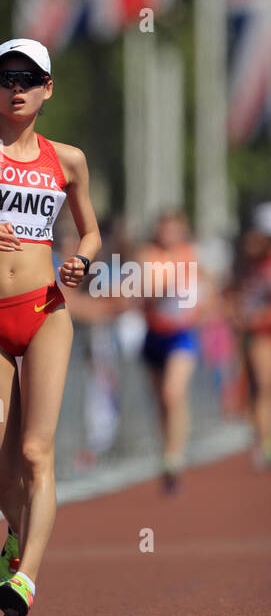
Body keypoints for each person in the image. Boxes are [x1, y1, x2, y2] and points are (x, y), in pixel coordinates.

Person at [0, 38, 100, 616]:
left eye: (29, 78)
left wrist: (82, 259)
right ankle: (17, 532)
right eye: (6, 77)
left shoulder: (69, 159)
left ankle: (25, 576)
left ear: (47, 88)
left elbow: (91, 233)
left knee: (36, 450)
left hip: (45, 311)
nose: (17, 87)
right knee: (3, 470)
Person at [137, 209, 209, 494]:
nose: (167, 234)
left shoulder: (190, 254)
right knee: (162, 403)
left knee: (173, 393)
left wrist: (201, 304)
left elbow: (205, 288)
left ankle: (174, 457)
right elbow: (143, 290)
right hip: (155, 334)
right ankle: (168, 451)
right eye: (163, 228)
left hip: (181, 335)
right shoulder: (146, 254)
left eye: (172, 229)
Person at [228, 205, 271, 467]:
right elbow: (233, 295)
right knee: (262, 387)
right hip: (258, 336)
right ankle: (264, 440)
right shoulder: (246, 266)